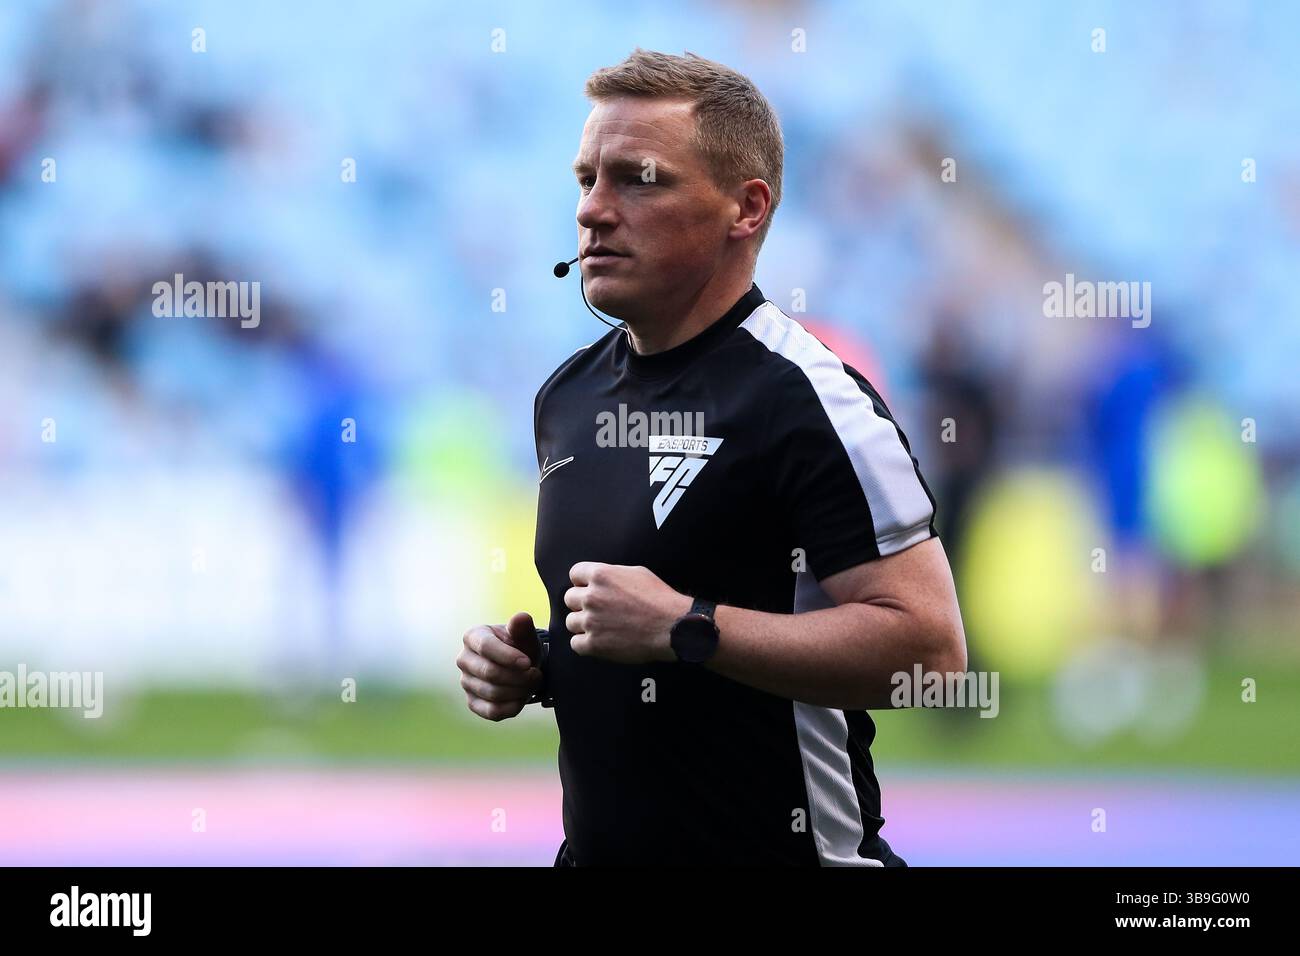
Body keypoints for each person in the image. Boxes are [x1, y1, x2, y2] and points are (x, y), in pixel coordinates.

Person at [457, 49, 966, 866]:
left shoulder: (808, 399)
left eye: (639, 179)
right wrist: (540, 668)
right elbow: (638, 639)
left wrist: (688, 629)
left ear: (746, 208)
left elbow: (932, 657)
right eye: (586, 179)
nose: (593, 210)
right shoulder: (568, 396)